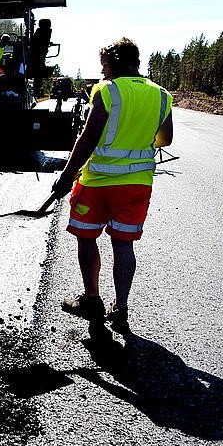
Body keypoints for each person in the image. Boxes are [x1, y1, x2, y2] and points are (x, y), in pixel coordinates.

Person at [50, 38, 174, 333]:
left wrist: (67, 176)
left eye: (104, 65)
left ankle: (92, 300)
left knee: (86, 238)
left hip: (99, 184)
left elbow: (89, 137)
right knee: (124, 244)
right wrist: (136, 141)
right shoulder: (161, 95)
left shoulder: (108, 90)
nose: (102, 71)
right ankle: (121, 307)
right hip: (137, 186)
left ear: (115, 63)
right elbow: (165, 139)